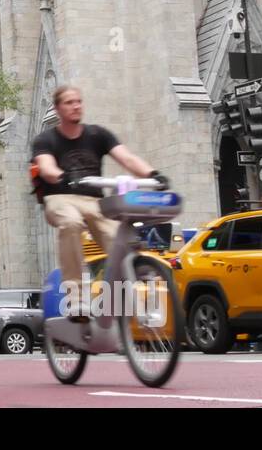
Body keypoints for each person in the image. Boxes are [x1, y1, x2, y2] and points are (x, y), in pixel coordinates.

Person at [31, 86, 168, 321]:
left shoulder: (98, 135)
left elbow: (126, 158)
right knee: (71, 224)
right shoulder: (46, 139)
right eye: (69, 102)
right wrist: (62, 176)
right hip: (60, 199)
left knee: (119, 237)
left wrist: (153, 174)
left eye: (79, 101)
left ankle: (122, 299)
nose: (76, 106)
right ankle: (76, 300)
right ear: (57, 109)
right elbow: (46, 167)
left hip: (94, 201)